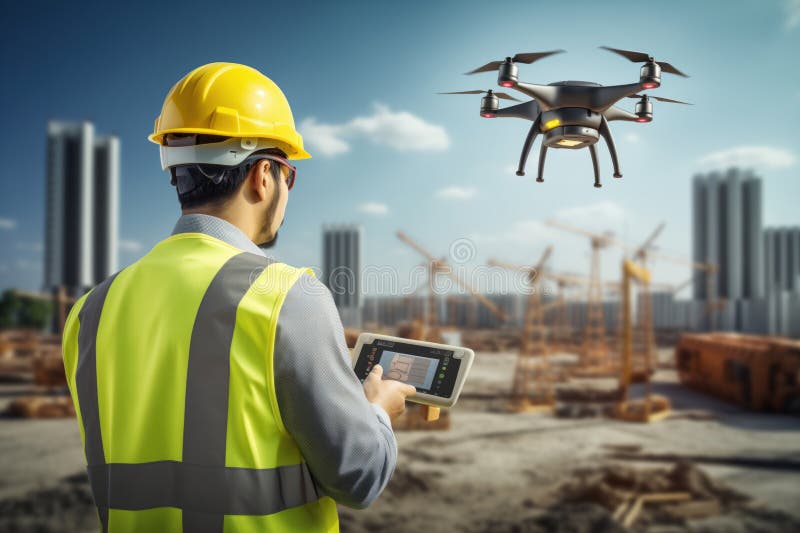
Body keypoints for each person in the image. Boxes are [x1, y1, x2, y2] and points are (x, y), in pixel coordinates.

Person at [62, 62, 416, 533]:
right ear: (264, 175)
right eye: (291, 175)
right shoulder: (286, 295)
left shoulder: (92, 310)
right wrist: (377, 409)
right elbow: (358, 477)